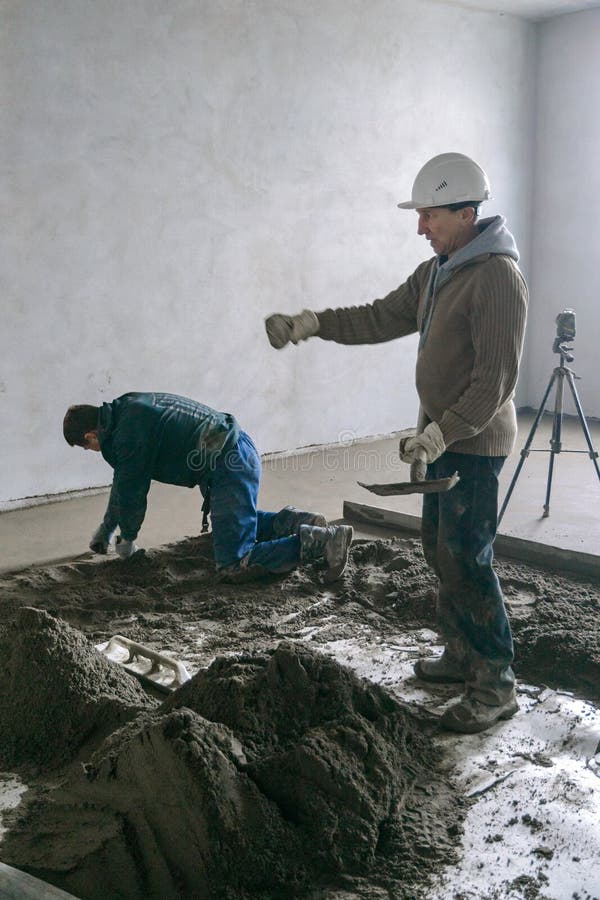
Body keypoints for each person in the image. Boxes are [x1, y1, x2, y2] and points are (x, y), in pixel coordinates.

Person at [264, 152, 528, 734]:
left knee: (467, 559)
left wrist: (440, 433)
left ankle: (495, 685)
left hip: (472, 445)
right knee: (440, 552)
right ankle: (461, 655)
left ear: (465, 213)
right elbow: (381, 317)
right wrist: (313, 323)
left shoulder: (497, 278)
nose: (420, 226)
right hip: (442, 440)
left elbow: (496, 380)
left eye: (429, 215)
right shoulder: (440, 270)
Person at [63, 392, 353, 582]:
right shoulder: (126, 409)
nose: (92, 451)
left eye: (86, 447)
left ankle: (322, 541)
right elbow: (122, 482)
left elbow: (131, 494)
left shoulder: (127, 438)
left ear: (90, 435)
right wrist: (105, 529)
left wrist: (126, 539)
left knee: (234, 562)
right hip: (235, 448)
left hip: (227, 464)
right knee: (230, 526)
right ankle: (298, 521)